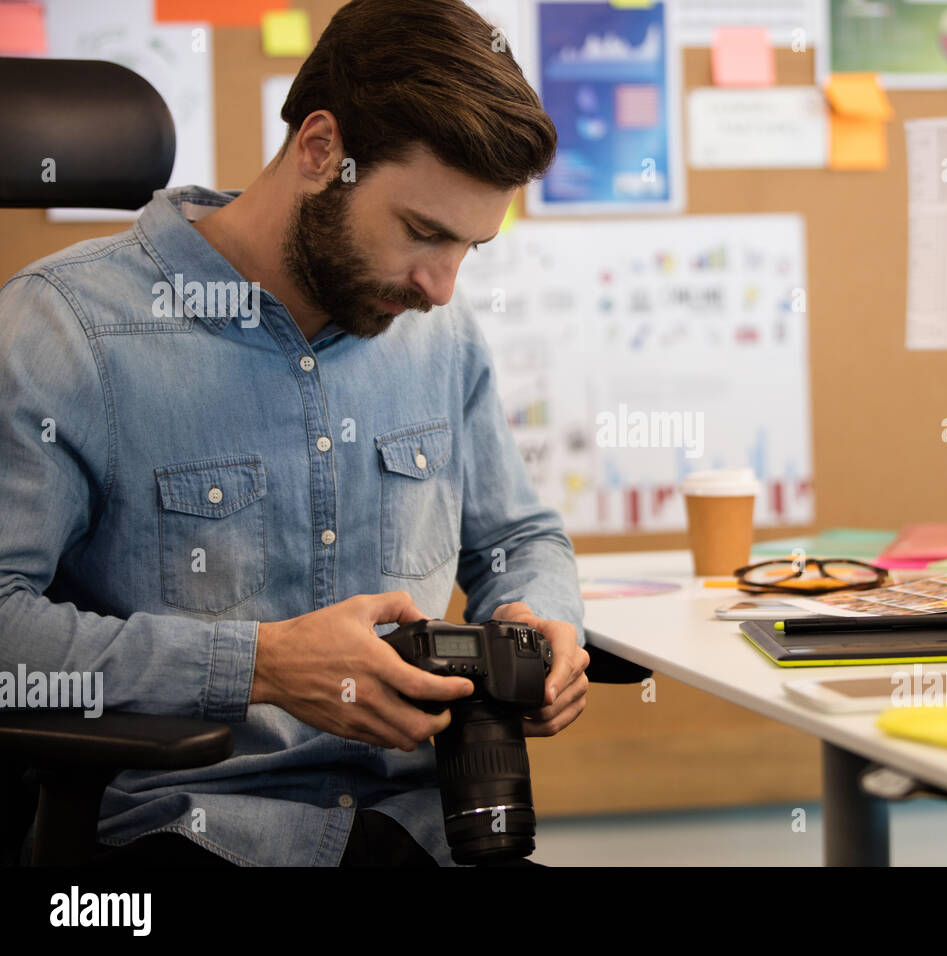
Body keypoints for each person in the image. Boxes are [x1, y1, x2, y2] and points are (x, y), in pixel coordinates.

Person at [0, 0, 588, 866]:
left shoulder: (438, 333)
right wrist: (257, 665)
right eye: (423, 232)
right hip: (192, 828)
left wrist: (541, 619)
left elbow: (519, 536)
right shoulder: (65, 330)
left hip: (420, 826)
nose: (443, 286)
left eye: (471, 247)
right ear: (321, 152)